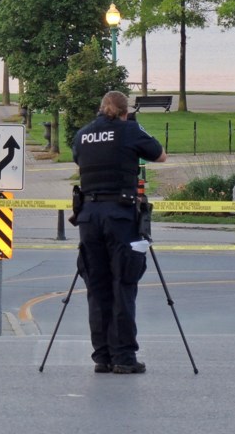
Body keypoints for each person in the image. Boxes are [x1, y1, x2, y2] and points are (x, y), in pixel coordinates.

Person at [71, 90, 167, 374]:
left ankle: (102, 356)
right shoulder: (129, 130)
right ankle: (124, 357)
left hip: (88, 217)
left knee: (97, 286)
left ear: (101, 109)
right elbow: (160, 155)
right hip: (119, 216)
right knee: (123, 283)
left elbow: (79, 160)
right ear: (125, 111)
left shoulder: (83, 134)